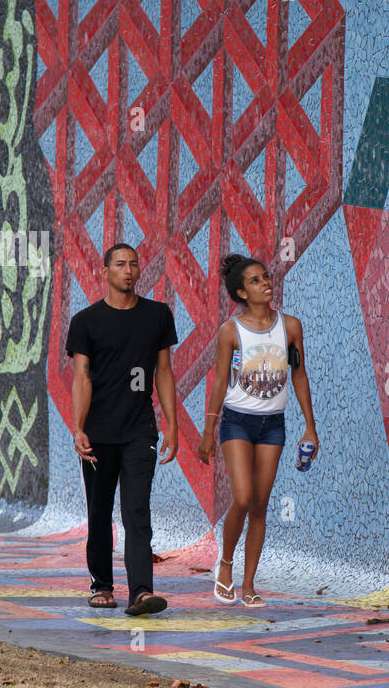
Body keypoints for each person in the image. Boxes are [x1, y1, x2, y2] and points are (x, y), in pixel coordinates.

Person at [197, 254, 317, 607]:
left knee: (261, 506)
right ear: (241, 292)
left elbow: (299, 375)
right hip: (237, 420)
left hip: (272, 425)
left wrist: (310, 427)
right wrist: (209, 429)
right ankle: (225, 564)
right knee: (243, 497)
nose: (266, 283)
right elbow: (220, 381)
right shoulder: (231, 330)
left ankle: (248, 585)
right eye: (255, 280)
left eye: (266, 277)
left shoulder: (290, 326)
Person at [67, 243, 179, 616]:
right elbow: (82, 377)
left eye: (133, 264)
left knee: (136, 508)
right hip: (98, 433)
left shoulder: (157, 315)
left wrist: (172, 425)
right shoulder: (86, 321)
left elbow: (163, 371)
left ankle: (142, 591)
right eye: (120, 264)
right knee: (99, 511)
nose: (128, 270)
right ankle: (101, 584)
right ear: (105, 271)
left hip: (139, 430)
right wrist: (78, 427)